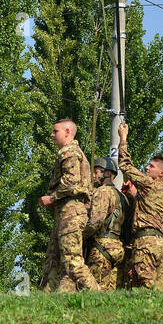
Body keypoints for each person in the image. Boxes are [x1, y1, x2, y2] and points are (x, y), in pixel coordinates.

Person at [39, 119, 98, 291]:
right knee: (53, 261)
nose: (52, 134)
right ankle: (45, 299)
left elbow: (71, 181)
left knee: (73, 261)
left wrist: (52, 198)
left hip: (70, 211)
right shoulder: (69, 152)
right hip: (64, 211)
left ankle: (97, 295)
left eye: (55, 131)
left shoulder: (69, 152)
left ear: (67, 132)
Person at [117, 122, 163, 289]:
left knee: (144, 285)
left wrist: (123, 138)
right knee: (159, 288)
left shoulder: (149, 184)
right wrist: (135, 195)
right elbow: (148, 208)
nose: (147, 168)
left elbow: (125, 165)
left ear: (161, 173)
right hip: (160, 243)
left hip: (145, 242)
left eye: (152, 166)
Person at [85, 157, 128, 291]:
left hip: (101, 247)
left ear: (107, 173)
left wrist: (79, 236)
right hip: (119, 249)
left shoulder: (103, 191)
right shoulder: (123, 197)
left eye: (97, 171)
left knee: (95, 291)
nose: (93, 175)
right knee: (112, 294)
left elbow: (95, 222)